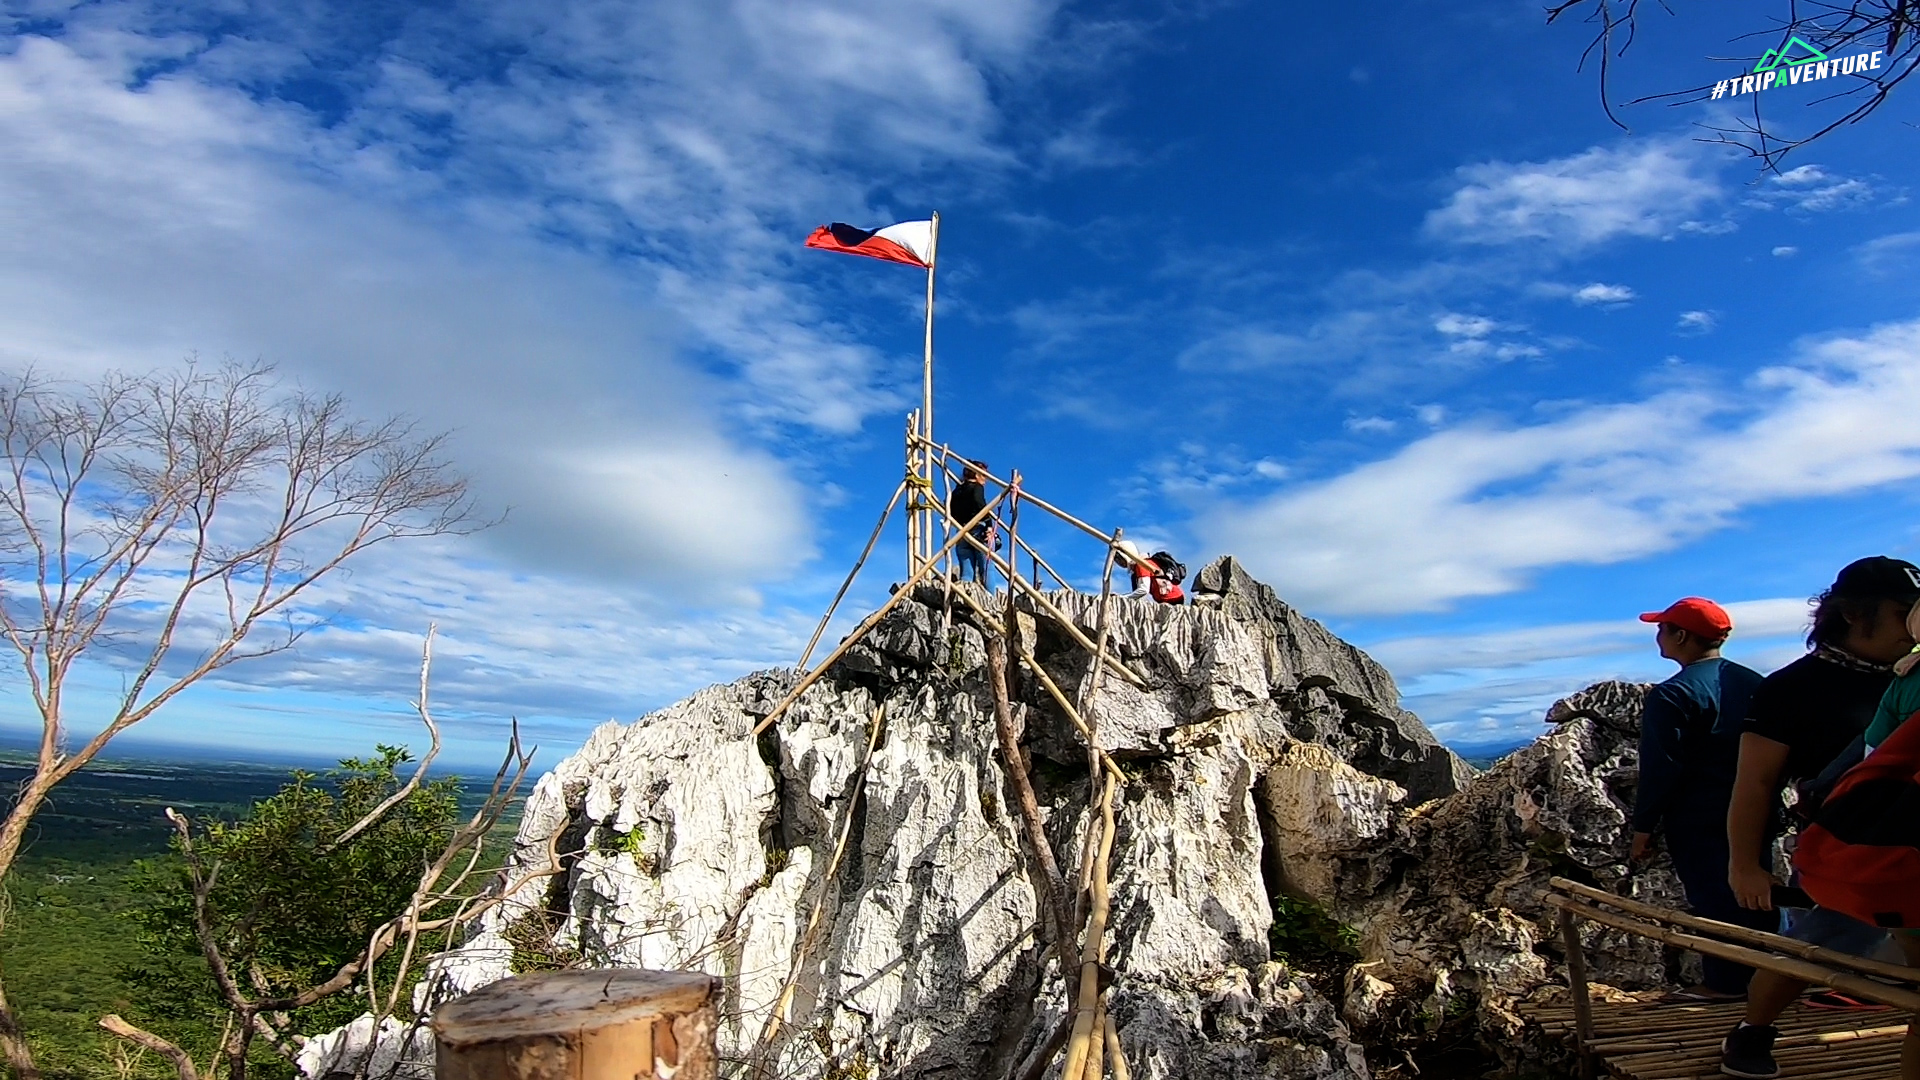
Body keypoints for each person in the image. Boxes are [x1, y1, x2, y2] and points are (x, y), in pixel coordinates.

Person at [1718, 559, 1920, 1078]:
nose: (1914, 624)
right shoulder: (1792, 688)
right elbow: (1755, 782)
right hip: (1845, 850)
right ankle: (1753, 1030)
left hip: (1913, 846)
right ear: (1853, 615)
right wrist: (1745, 863)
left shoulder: (1910, 678)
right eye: (1904, 613)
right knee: (1817, 953)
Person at [1627, 597, 1770, 1002]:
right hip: (1758, 807)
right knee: (1757, 892)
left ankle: (1725, 984)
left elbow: (1661, 767)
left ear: (1682, 636)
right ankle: (1768, 974)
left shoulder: (1672, 695)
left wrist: (1643, 828)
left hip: (1699, 816)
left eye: (1662, 628)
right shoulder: (1755, 684)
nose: (1658, 634)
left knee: (1713, 897)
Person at [949, 461, 992, 586]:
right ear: (976, 475)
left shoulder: (957, 491)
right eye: (984, 475)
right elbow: (980, 505)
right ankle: (990, 600)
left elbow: (951, 510)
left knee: (966, 571)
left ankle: (966, 598)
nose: (986, 479)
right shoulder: (977, 488)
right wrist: (989, 525)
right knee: (987, 568)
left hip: (961, 532)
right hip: (978, 529)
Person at [1114, 540, 1184, 604]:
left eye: (1119, 558)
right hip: (1167, 599)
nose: (1119, 562)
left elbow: (1143, 590)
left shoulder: (1142, 564)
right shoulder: (1137, 570)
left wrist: (1122, 598)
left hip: (1172, 599)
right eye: (1116, 559)